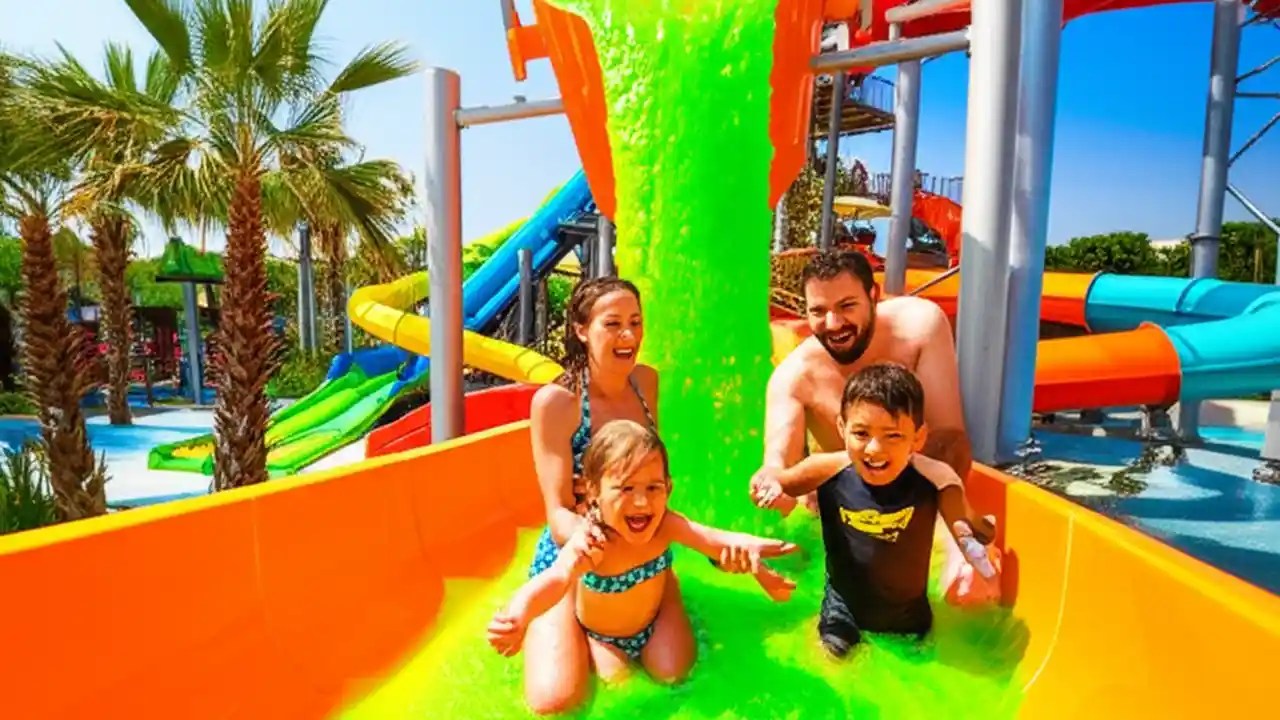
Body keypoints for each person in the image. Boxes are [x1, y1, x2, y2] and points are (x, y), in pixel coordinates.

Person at [523, 277, 780, 714]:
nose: (628, 336)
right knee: (555, 702)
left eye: (635, 323)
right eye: (613, 324)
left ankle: (661, 587)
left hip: (644, 548)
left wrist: (712, 545)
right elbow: (557, 514)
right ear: (582, 329)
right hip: (580, 559)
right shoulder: (559, 403)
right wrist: (591, 548)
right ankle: (581, 624)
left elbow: (651, 472)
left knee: (674, 675)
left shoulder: (645, 383)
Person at [489, 419, 798, 693]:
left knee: (675, 675)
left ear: (669, 487)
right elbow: (555, 579)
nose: (641, 502)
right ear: (593, 491)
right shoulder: (593, 541)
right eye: (625, 489)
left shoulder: (665, 525)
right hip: (602, 634)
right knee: (616, 685)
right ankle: (584, 643)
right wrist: (519, 614)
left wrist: (759, 562)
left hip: (651, 621)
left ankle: (669, 602)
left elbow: (715, 540)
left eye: (653, 488)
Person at [755, 363, 996, 658]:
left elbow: (964, 522)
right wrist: (767, 486)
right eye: (861, 433)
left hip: (909, 616)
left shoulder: (935, 478)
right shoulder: (826, 469)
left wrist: (980, 539)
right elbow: (781, 481)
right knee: (831, 661)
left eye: (892, 436)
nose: (874, 449)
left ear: (918, 439)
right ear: (842, 429)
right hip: (843, 613)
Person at [750, 249, 971, 516]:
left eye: (847, 306)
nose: (833, 324)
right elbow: (778, 465)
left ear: (873, 296)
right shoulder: (794, 377)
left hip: (923, 503)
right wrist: (771, 484)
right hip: (845, 513)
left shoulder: (919, 327)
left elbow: (948, 439)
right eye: (819, 311)